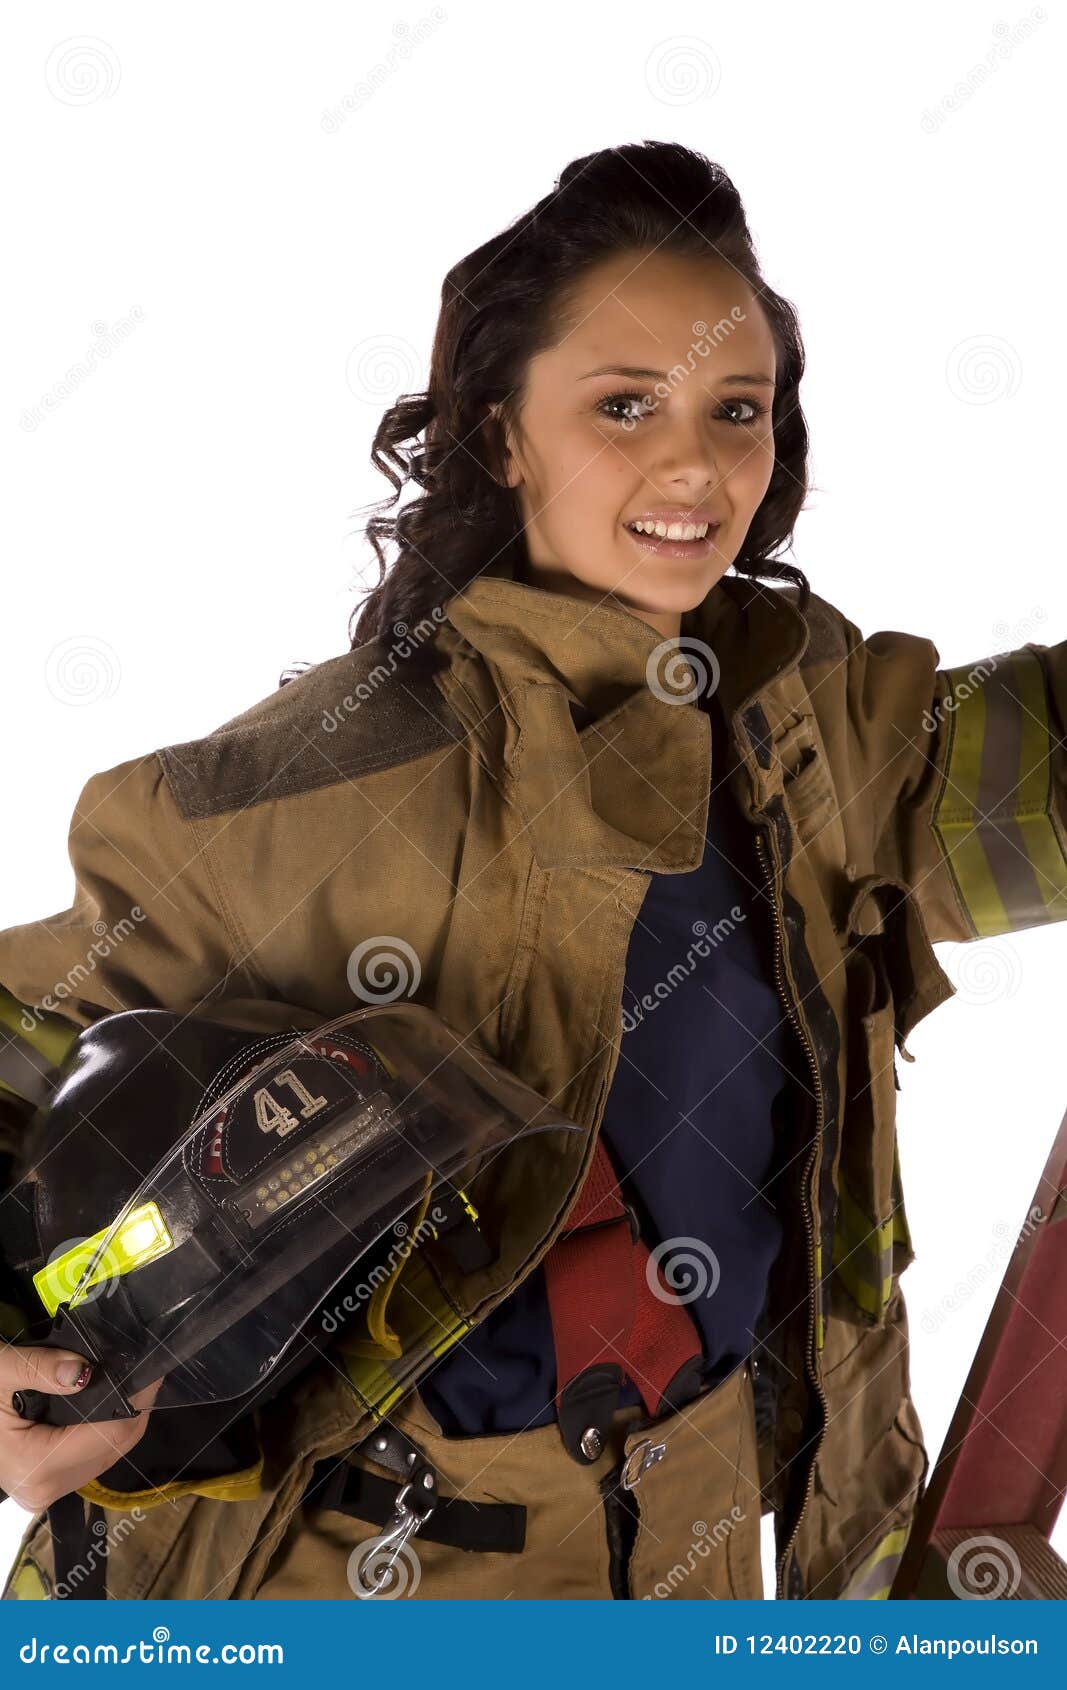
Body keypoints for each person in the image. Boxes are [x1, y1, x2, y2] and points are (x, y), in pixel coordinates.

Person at [1, 140, 1064, 1602]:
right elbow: (22, 1052)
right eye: (625, 405)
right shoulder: (298, 795)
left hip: (695, 1564)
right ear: (500, 433)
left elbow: (1046, 780)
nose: (694, 461)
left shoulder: (812, 735)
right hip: (350, 1581)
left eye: (734, 410)